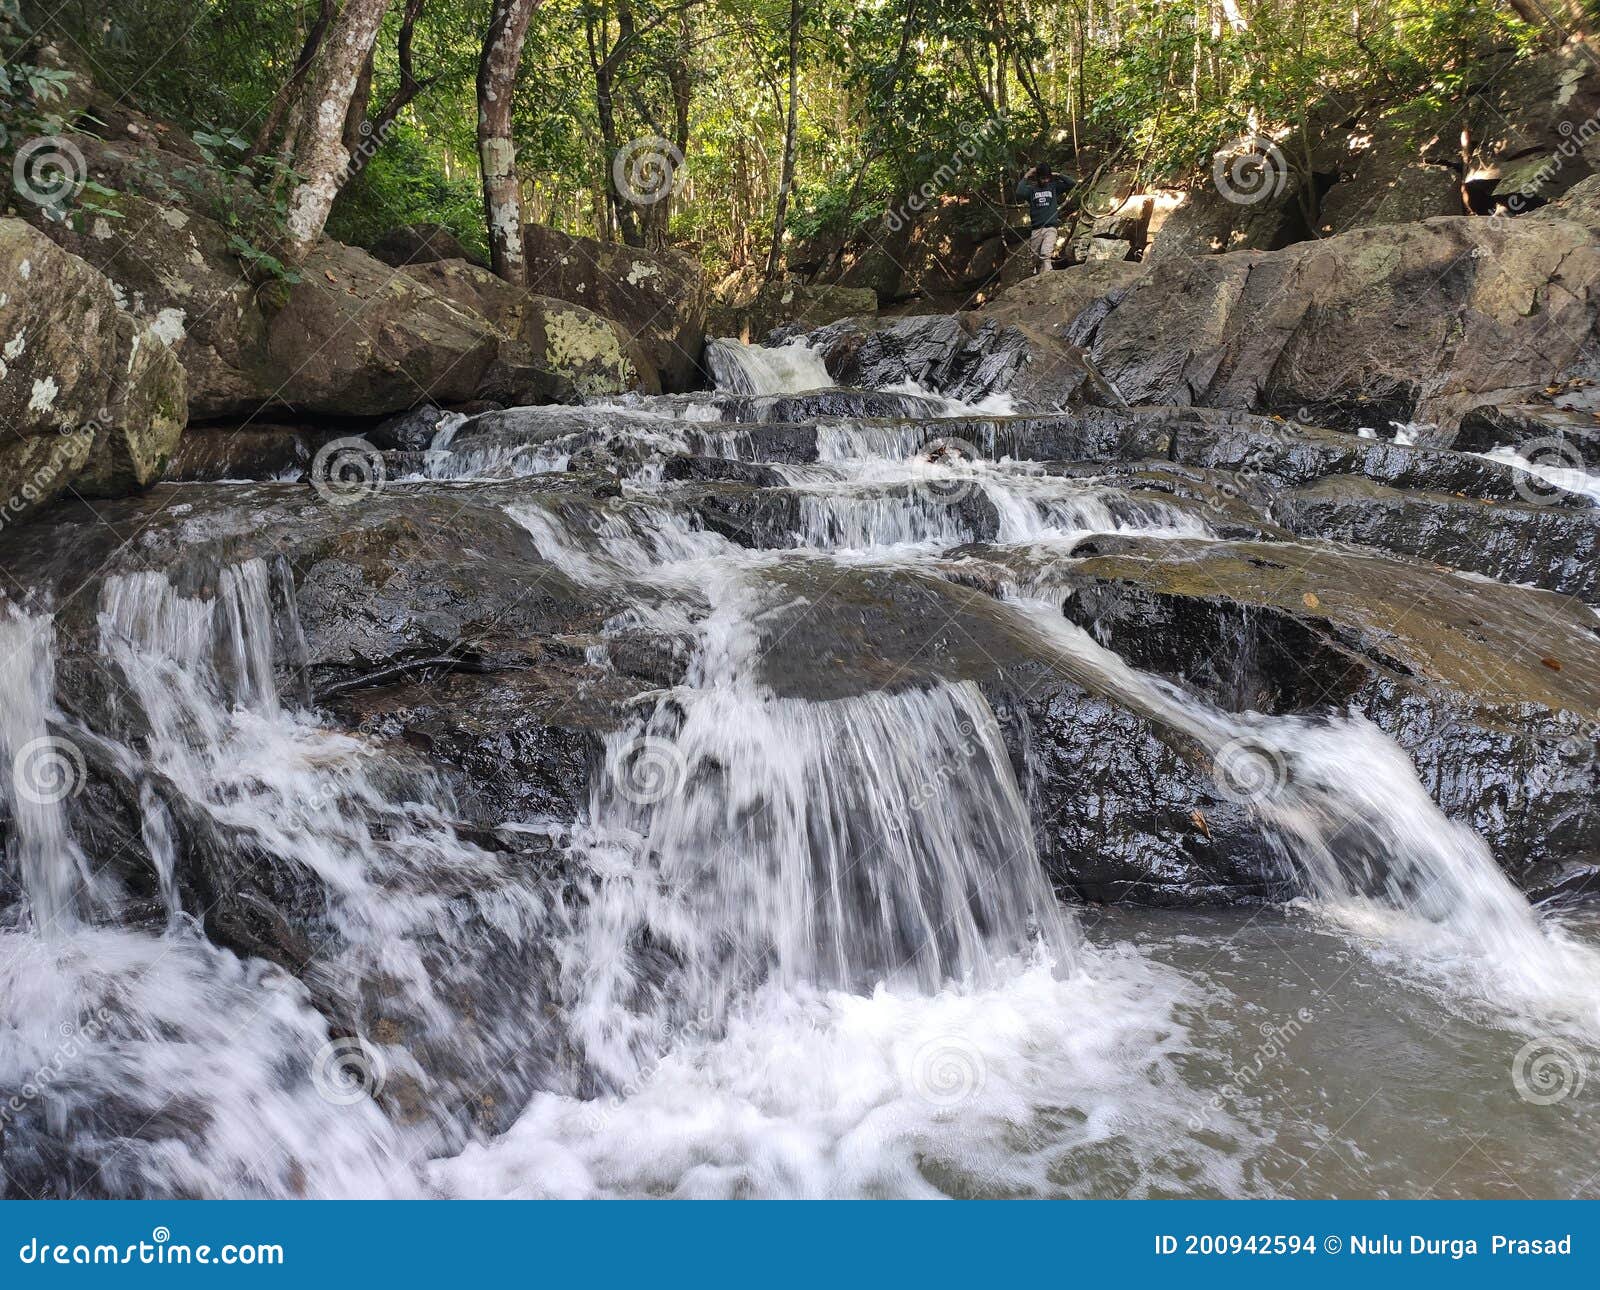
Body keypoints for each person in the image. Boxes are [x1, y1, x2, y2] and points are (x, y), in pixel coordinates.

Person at [1015, 163, 1076, 274]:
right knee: (1034, 258)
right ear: (1038, 177)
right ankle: (1035, 276)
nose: (1046, 180)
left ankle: (1047, 275)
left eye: (1047, 178)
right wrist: (1027, 175)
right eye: (1043, 178)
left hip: (1050, 228)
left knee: (1045, 254)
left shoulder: (1053, 187)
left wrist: (1058, 175)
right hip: (1036, 229)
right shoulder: (1031, 190)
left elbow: (1072, 183)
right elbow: (1019, 191)